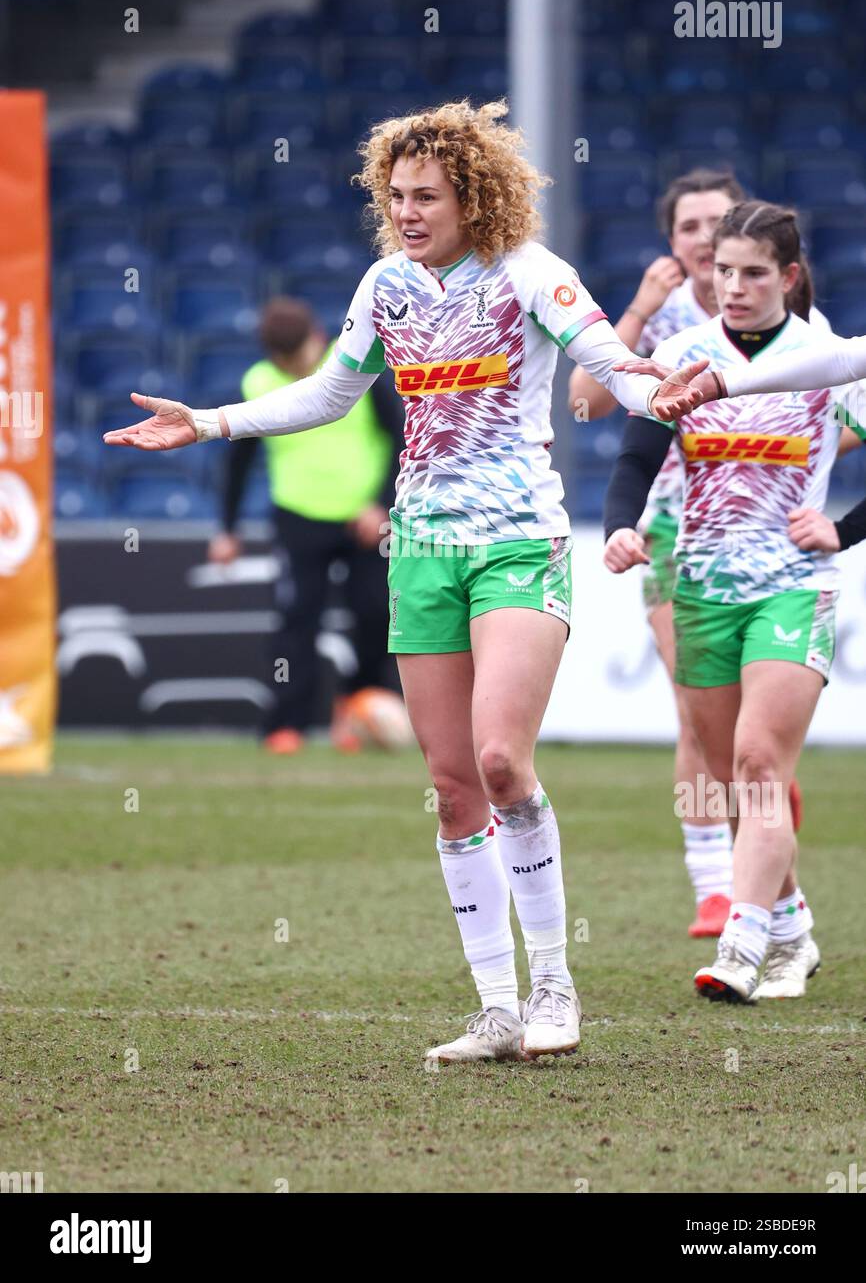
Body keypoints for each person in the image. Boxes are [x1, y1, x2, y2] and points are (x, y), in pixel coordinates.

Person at [104, 98, 697, 1063]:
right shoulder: (386, 287)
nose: (408, 210)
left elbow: (608, 366)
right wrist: (209, 421)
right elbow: (335, 392)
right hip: (419, 548)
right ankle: (497, 1008)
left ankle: (555, 987)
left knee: (503, 763)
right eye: (396, 194)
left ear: (474, 193)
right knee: (452, 785)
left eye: (427, 194)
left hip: (517, 540)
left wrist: (656, 384)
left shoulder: (529, 274)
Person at [603, 200, 866, 1003]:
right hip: (700, 590)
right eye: (723, 272)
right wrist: (621, 527)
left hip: (793, 586)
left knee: (759, 763)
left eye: (754, 273)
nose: (736, 288)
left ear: (788, 276)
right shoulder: (679, 351)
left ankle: (742, 944)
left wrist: (844, 529)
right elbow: (635, 454)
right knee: (726, 776)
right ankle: (792, 927)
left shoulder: (829, 361)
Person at [570, 170, 750, 937]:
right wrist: (639, 308)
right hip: (677, 525)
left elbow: (839, 411)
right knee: (696, 709)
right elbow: (585, 400)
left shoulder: (785, 313)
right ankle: (713, 880)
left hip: (765, 528)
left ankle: (765, 870)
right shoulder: (668, 320)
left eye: (718, 223)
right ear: (670, 243)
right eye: (689, 228)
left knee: (753, 730)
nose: (705, 239)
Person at [207, 296, 405, 754]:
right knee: (297, 622)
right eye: (286, 362)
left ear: (317, 338)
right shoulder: (259, 380)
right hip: (297, 517)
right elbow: (239, 461)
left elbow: (400, 435)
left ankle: (358, 715)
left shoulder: (356, 363)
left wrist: (381, 505)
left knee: (375, 614)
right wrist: (227, 529)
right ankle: (285, 725)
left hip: (365, 519)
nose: (296, 368)